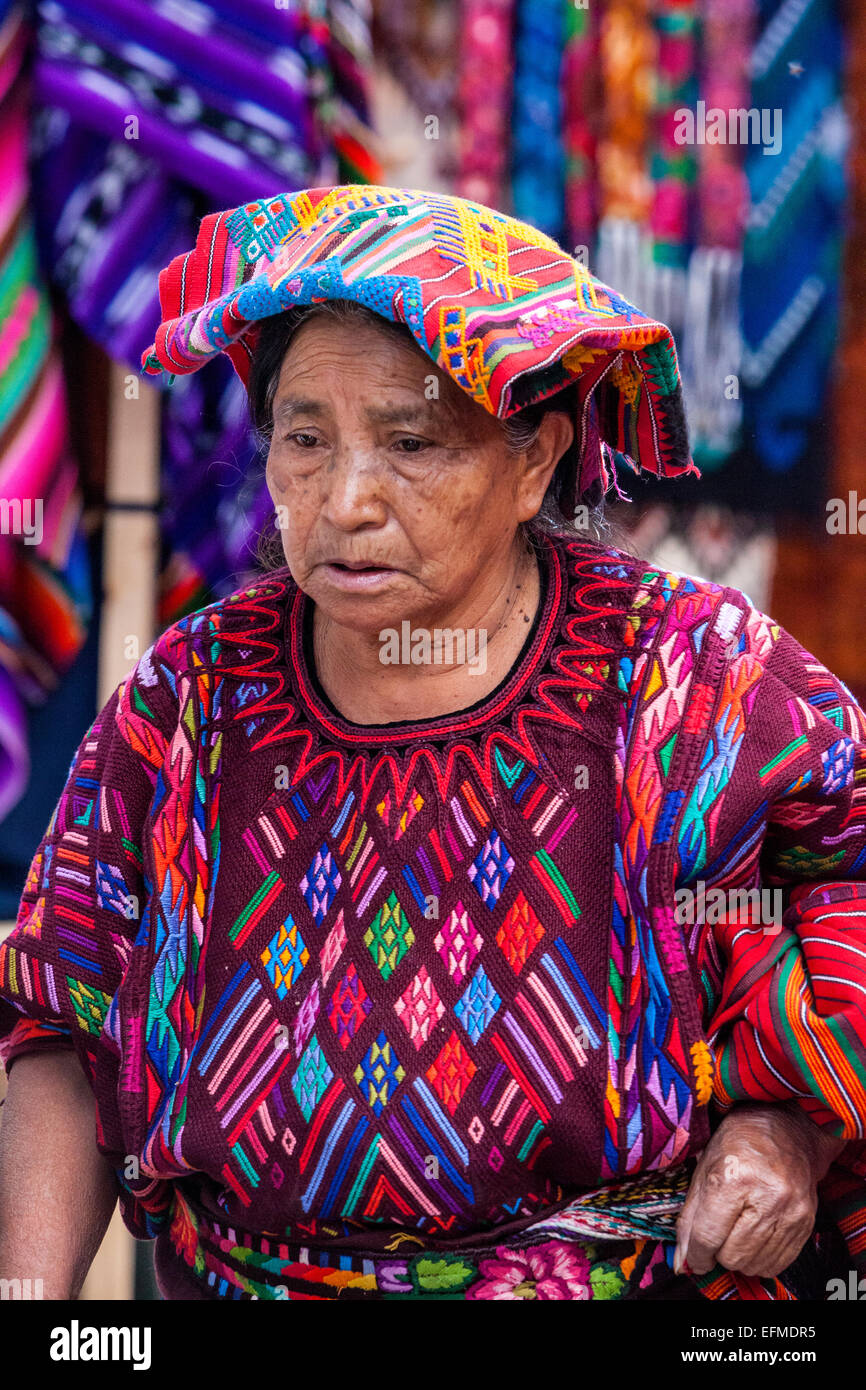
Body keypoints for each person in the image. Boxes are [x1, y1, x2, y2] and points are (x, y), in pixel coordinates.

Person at [0, 183, 864, 1302]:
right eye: (304, 438)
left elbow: (843, 891)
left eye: (410, 442)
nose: (346, 498)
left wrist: (783, 1134)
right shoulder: (185, 706)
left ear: (534, 463)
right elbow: (62, 1021)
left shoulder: (694, 689)